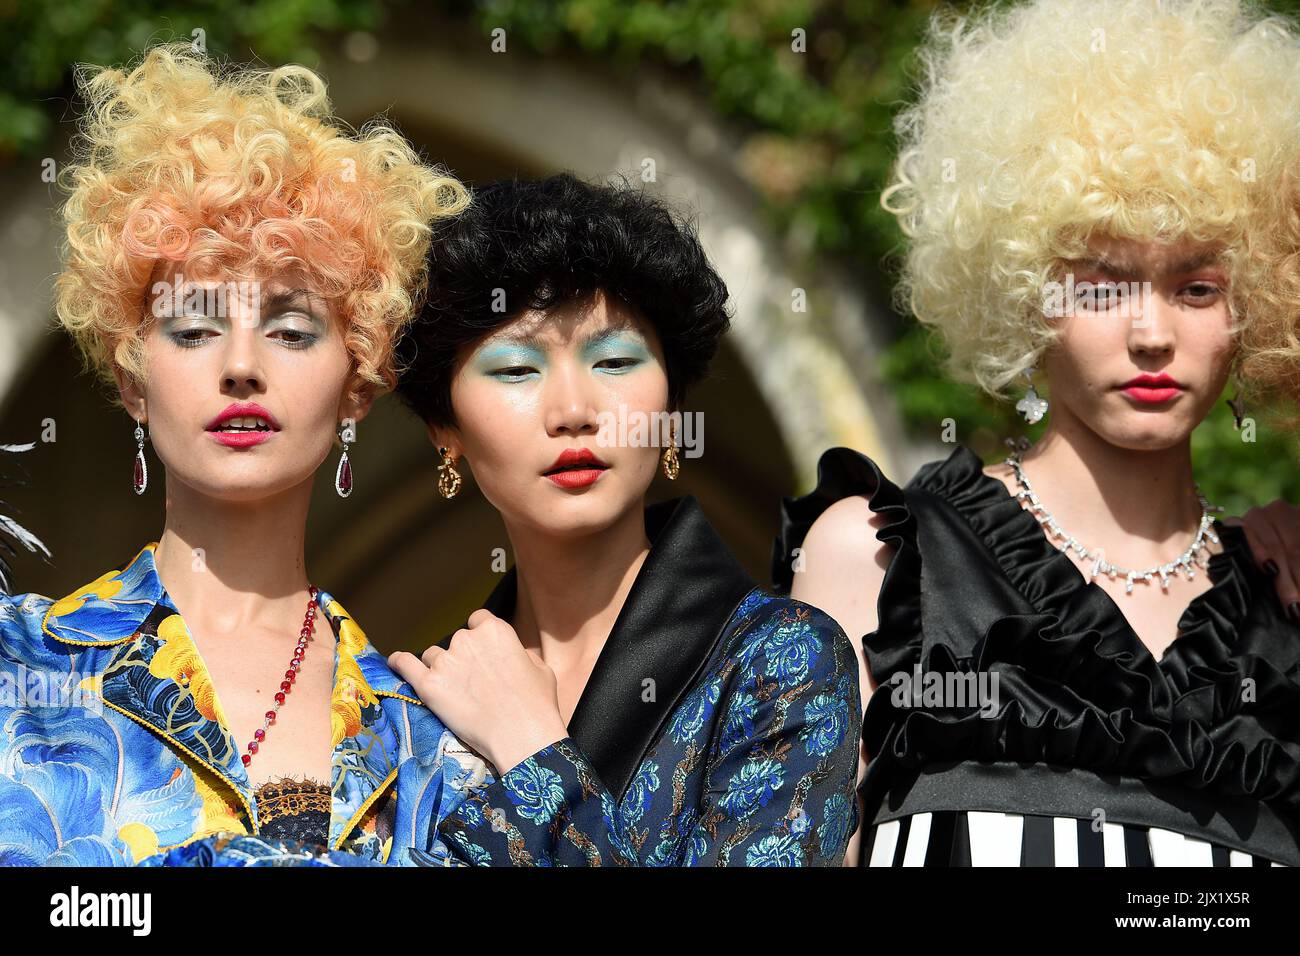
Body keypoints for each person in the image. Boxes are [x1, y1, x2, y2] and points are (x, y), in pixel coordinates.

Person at [773, 0, 1300, 866]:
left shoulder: (1282, 609)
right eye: (1102, 284)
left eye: (1196, 287)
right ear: (1024, 296)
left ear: (1259, 306)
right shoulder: (879, 566)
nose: (1151, 333)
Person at [0, 43, 482, 866]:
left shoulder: (431, 737)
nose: (242, 366)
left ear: (358, 381)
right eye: (192, 329)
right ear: (134, 381)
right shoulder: (18, 669)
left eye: (293, 331)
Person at [389, 173, 861, 866]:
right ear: (444, 430)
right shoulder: (427, 701)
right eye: (517, 370)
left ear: (670, 407)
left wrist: (532, 755)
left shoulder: (780, 661)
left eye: (614, 360)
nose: (574, 409)